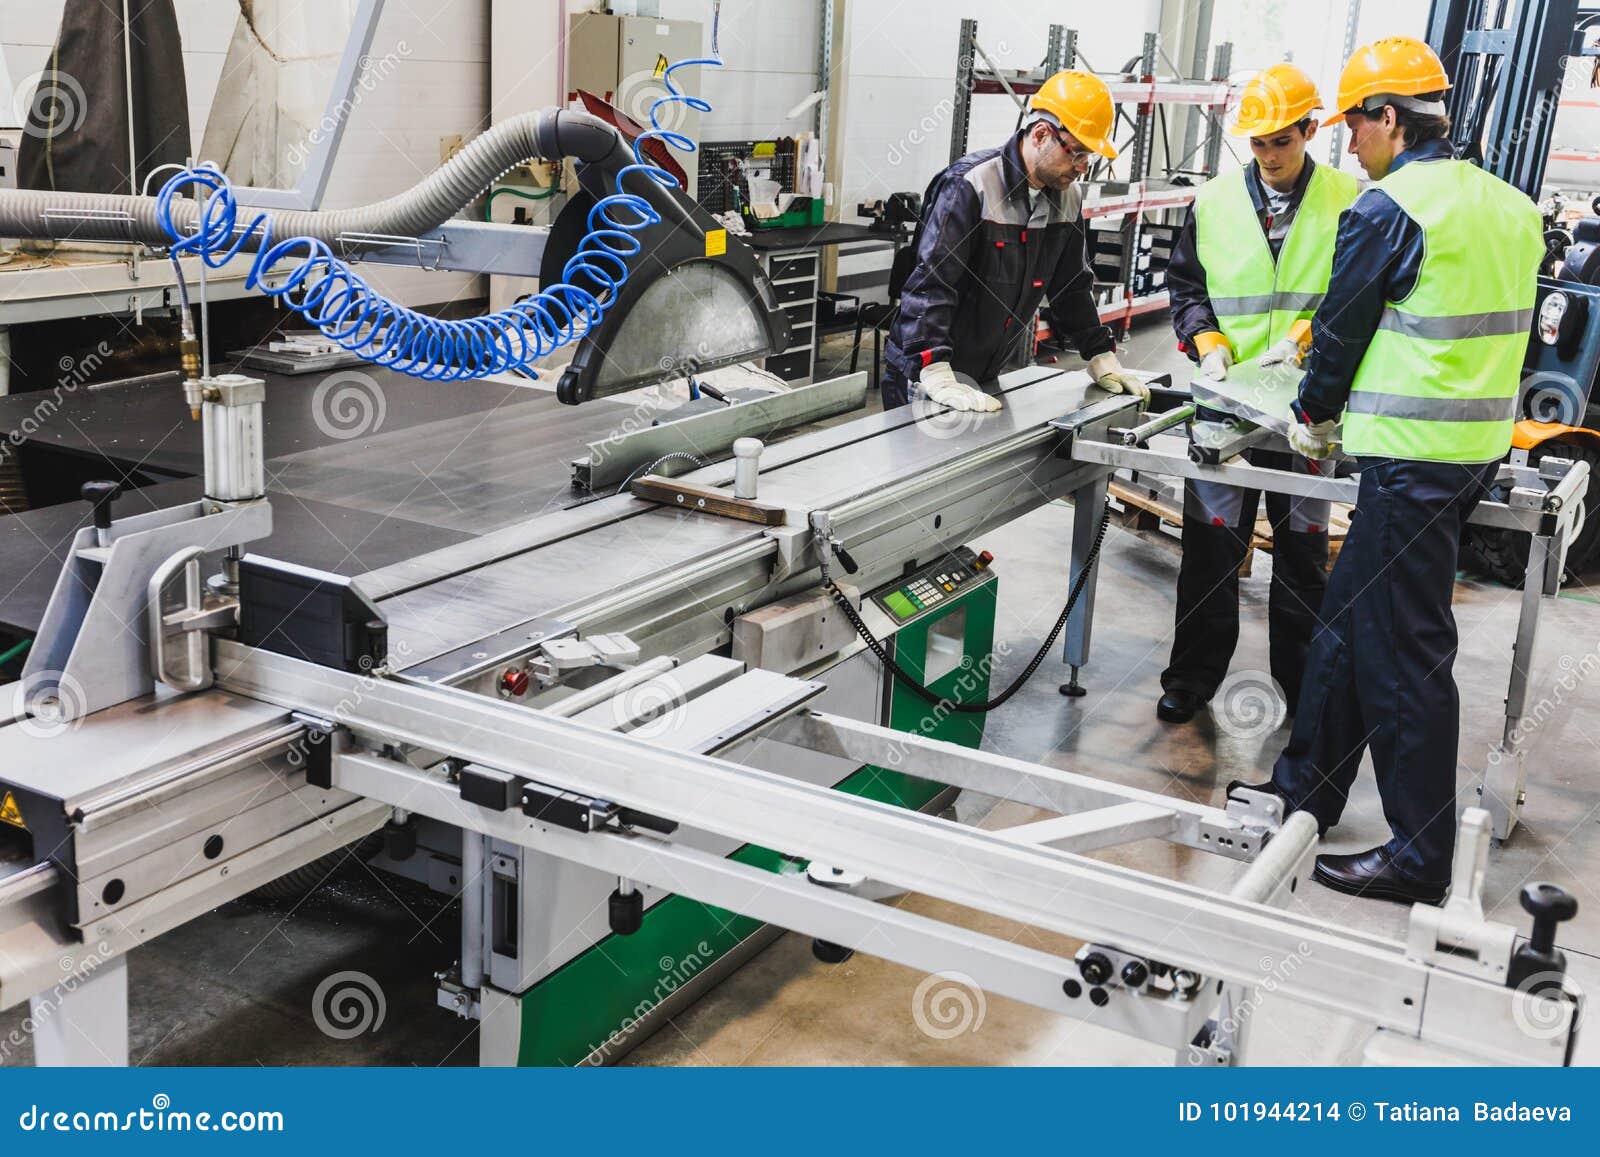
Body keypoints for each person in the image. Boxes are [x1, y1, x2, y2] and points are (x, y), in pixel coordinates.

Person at [1233, 37, 1544, 905]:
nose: (1350, 144)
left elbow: (1340, 331)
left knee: (1405, 652)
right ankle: (1307, 792)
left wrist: (1310, 415)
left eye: (1356, 125)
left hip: (1413, 460)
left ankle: (1419, 853)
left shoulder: (1389, 208)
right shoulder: (1512, 207)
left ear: (1390, 119)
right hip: (1472, 449)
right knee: (1345, 625)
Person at [1157, 63, 1359, 726]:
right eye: (1259, 143)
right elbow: (1186, 288)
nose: (1270, 155)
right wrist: (1206, 343)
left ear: (1310, 130)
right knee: (1211, 552)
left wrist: (1306, 336)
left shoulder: (1349, 199)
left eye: (1283, 140)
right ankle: (1190, 680)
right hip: (1226, 410)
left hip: (1307, 411)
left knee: (1302, 559)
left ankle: (1301, 694)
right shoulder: (1213, 201)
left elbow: (1357, 293)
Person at [882, 70, 1148, 413]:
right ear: (1040, 135)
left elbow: (1071, 286)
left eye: (1090, 158)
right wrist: (932, 366)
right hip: (925, 375)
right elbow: (933, 283)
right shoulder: (972, 185)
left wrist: (1099, 354)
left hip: (986, 371)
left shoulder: (1067, 198)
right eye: (1077, 153)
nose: (1082, 167)